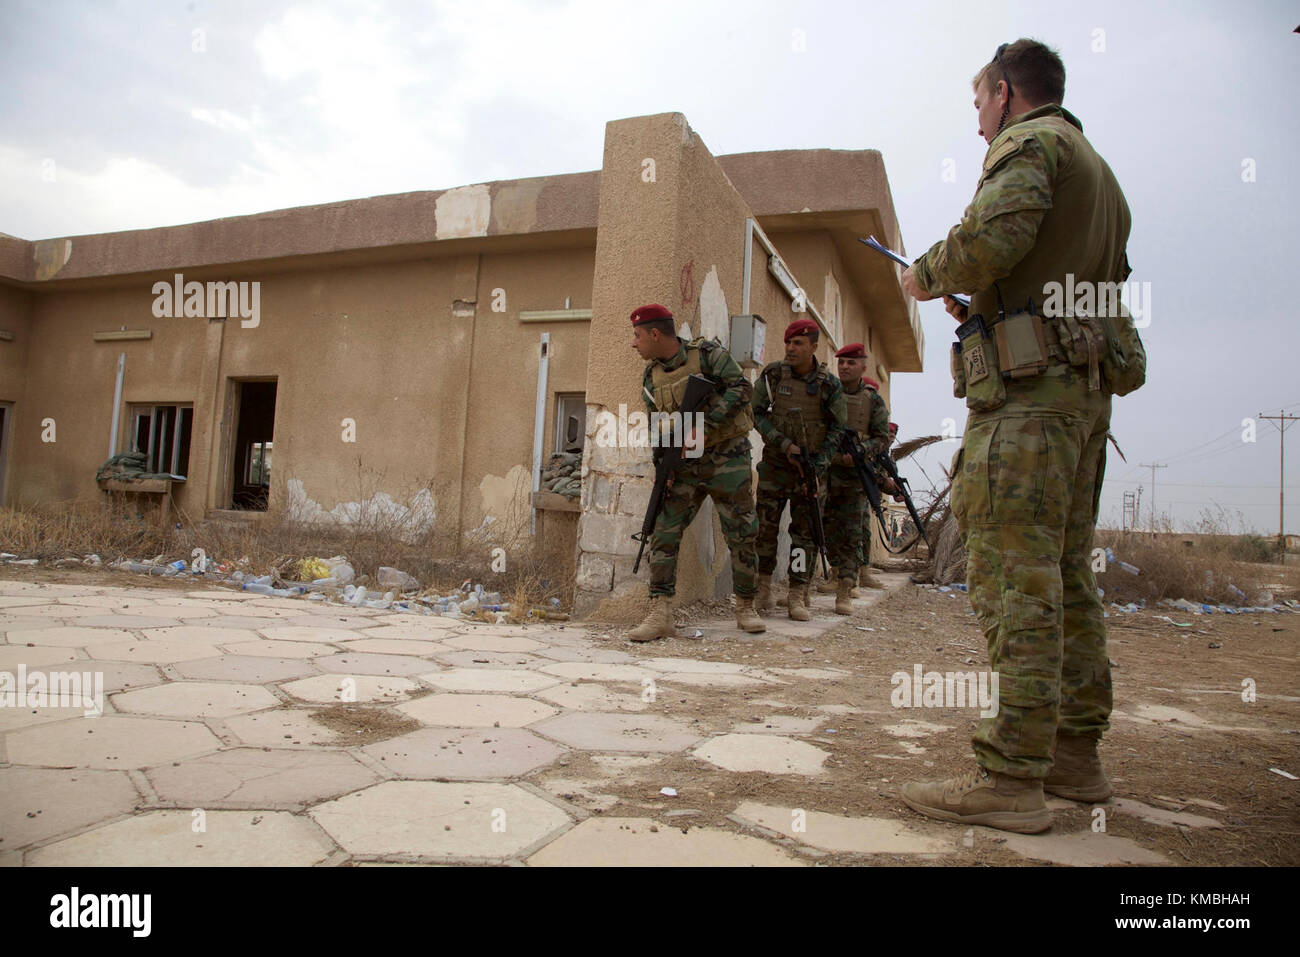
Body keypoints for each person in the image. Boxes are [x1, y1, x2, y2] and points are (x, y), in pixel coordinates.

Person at [897, 38, 1132, 833]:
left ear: (1005, 92)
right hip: (1081, 402)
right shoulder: (1100, 173)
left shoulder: (1030, 143)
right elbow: (1063, 282)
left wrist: (924, 273)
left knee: (1016, 580)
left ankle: (1012, 777)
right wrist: (991, 311)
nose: (977, 128)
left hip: (1028, 408)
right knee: (1065, 575)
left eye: (977, 108)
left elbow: (991, 240)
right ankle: (1075, 756)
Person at [627, 303, 765, 641]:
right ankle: (660, 612)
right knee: (663, 531)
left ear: (655, 334)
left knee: (742, 532)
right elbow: (655, 426)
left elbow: (743, 390)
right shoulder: (651, 377)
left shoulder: (707, 354)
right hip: (683, 466)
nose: (635, 343)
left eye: (638, 335)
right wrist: (663, 466)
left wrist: (704, 424)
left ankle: (746, 606)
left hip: (726, 459)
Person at [751, 318, 846, 621]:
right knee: (764, 529)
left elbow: (837, 429)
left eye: (798, 344)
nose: (790, 348)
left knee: (803, 536)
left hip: (809, 470)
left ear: (813, 347)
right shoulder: (774, 375)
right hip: (776, 467)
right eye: (788, 343)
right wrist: (782, 443)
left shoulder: (829, 384)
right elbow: (755, 412)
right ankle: (763, 588)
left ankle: (796, 593)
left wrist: (818, 466)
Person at [818, 344, 890, 613]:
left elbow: (882, 438)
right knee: (823, 529)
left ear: (863, 367)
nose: (845, 367)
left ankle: (845, 590)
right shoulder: (828, 394)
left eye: (851, 362)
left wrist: (860, 451)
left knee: (850, 534)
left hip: (854, 478)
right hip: (827, 472)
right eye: (842, 362)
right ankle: (829, 576)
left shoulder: (873, 400)